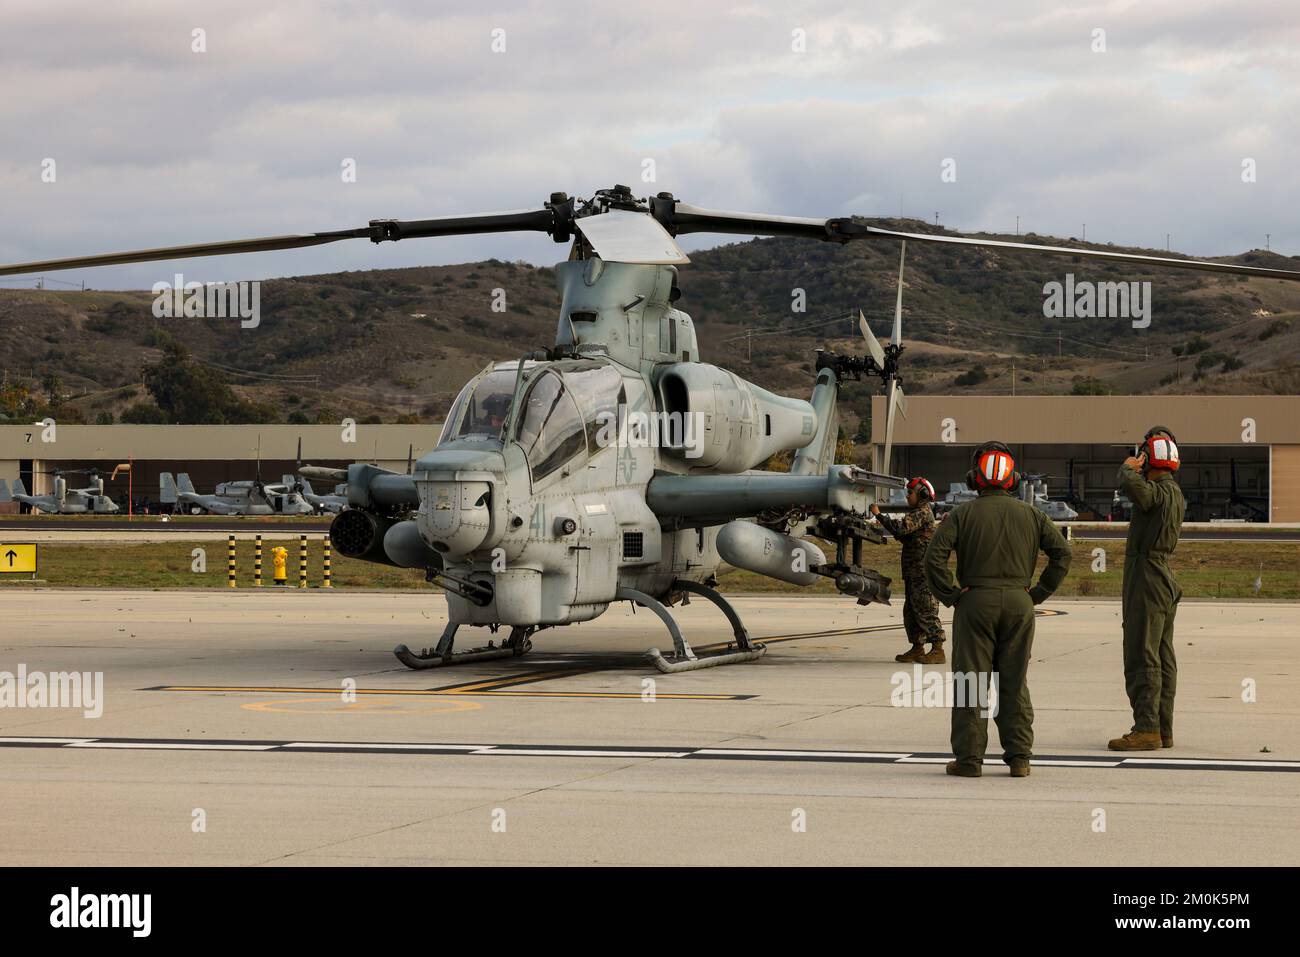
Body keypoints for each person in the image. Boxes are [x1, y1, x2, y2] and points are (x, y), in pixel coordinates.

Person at [924, 441, 1072, 778]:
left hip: (975, 602)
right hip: (1020, 603)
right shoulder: (1032, 514)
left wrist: (950, 594)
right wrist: (1037, 593)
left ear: (975, 478)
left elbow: (932, 558)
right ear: (1013, 479)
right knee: (1014, 682)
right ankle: (1019, 758)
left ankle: (969, 760)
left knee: (970, 683)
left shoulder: (962, 514)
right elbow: (1062, 554)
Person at [1109, 427, 1185, 751]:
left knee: (1143, 653)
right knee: (1163, 656)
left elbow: (1134, 488)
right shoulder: (1175, 493)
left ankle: (1146, 728)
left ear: (1148, 458)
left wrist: (1129, 467)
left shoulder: (1155, 493)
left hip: (1148, 578)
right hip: (1163, 575)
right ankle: (1163, 728)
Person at [870, 477, 946, 664]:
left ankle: (937, 649)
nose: (907, 496)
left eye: (910, 493)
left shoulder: (921, 512)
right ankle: (917, 647)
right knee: (911, 611)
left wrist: (878, 515)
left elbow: (900, 528)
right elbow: (904, 535)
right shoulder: (918, 514)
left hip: (922, 571)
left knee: (925, 608)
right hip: (913, 571)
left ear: (922, 494)